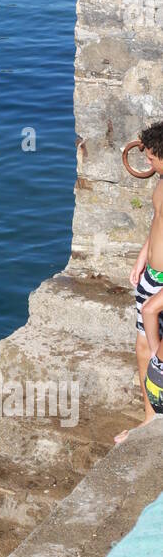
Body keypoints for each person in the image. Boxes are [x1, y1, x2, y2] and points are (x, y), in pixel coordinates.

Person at [116, 122, 163, 443]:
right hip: (152, 277)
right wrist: (142, 256)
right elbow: (157, 221)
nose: (147, 161)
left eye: (151, 157)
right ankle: (151, 417)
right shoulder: (160, 182)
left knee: (158, 353)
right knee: (143, 346)